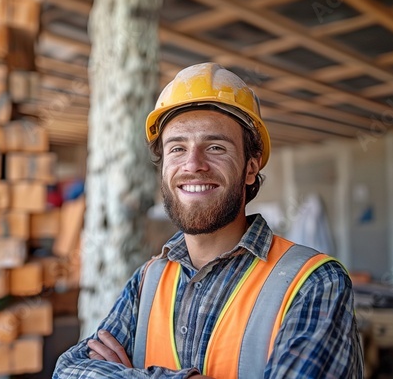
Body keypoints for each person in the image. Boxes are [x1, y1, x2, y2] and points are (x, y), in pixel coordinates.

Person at [54, 63, 363, 378]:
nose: (193, 165)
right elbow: (67, 372)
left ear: (251, 168)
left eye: (215, 147)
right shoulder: (147, 281)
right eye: (177, 148)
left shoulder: (314, 283)